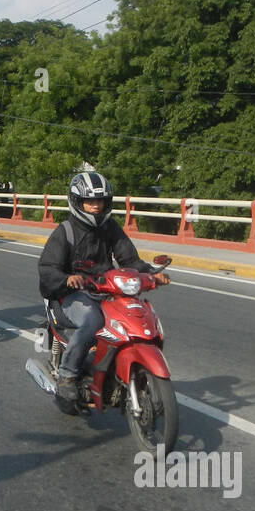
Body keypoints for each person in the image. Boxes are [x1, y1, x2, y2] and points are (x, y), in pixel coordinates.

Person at [38, 171, 169, 414]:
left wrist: (152, 274)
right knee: (93, 320)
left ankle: (115, 369)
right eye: (90, 201)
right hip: (71, 295)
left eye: (100, 201)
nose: (96, 206)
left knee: (131, 317)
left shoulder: (110, 228)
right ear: (77, 202)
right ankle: (68, 375)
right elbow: (47, 269)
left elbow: (130, 259)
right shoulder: (64, 232)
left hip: (105, 289)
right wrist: (68, 279)